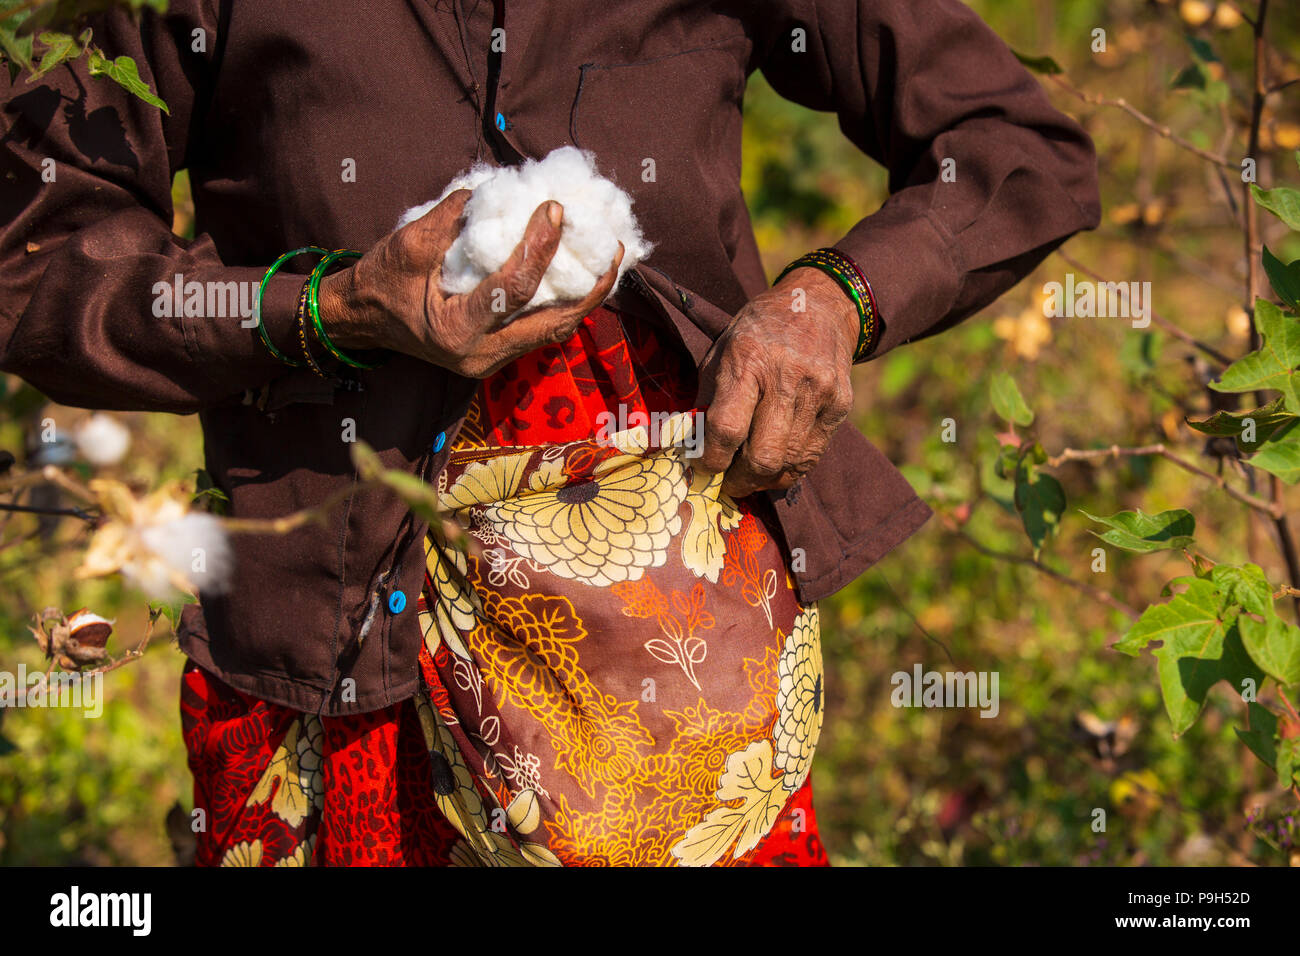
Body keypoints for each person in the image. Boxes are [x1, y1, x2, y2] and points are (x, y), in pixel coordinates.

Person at [0, 0, 1100, 866]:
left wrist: (835, 298)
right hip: (331, 658)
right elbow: (32, 260)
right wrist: (327, 309)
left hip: (667, 672)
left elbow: (1012, 143)